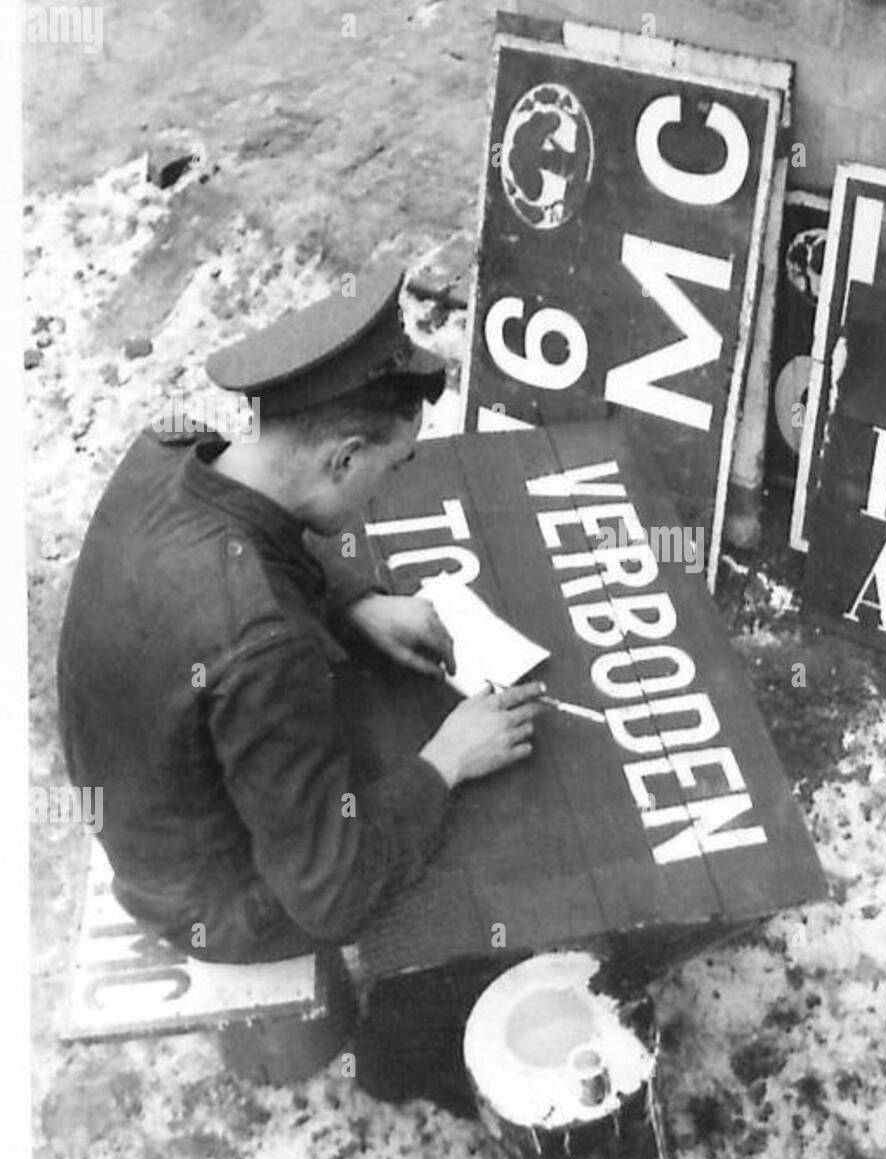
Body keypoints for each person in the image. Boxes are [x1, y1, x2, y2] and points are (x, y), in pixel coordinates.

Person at [57, 258, 545, 970]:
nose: (386, 487)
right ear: (345, 459)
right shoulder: (266, 645)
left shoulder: (162, 452)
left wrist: (356, 601)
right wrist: (447, 761)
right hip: (217, 907)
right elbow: (332, 893)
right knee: (499, 824)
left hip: (154, 814)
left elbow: (248, 538)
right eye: (396, 464)